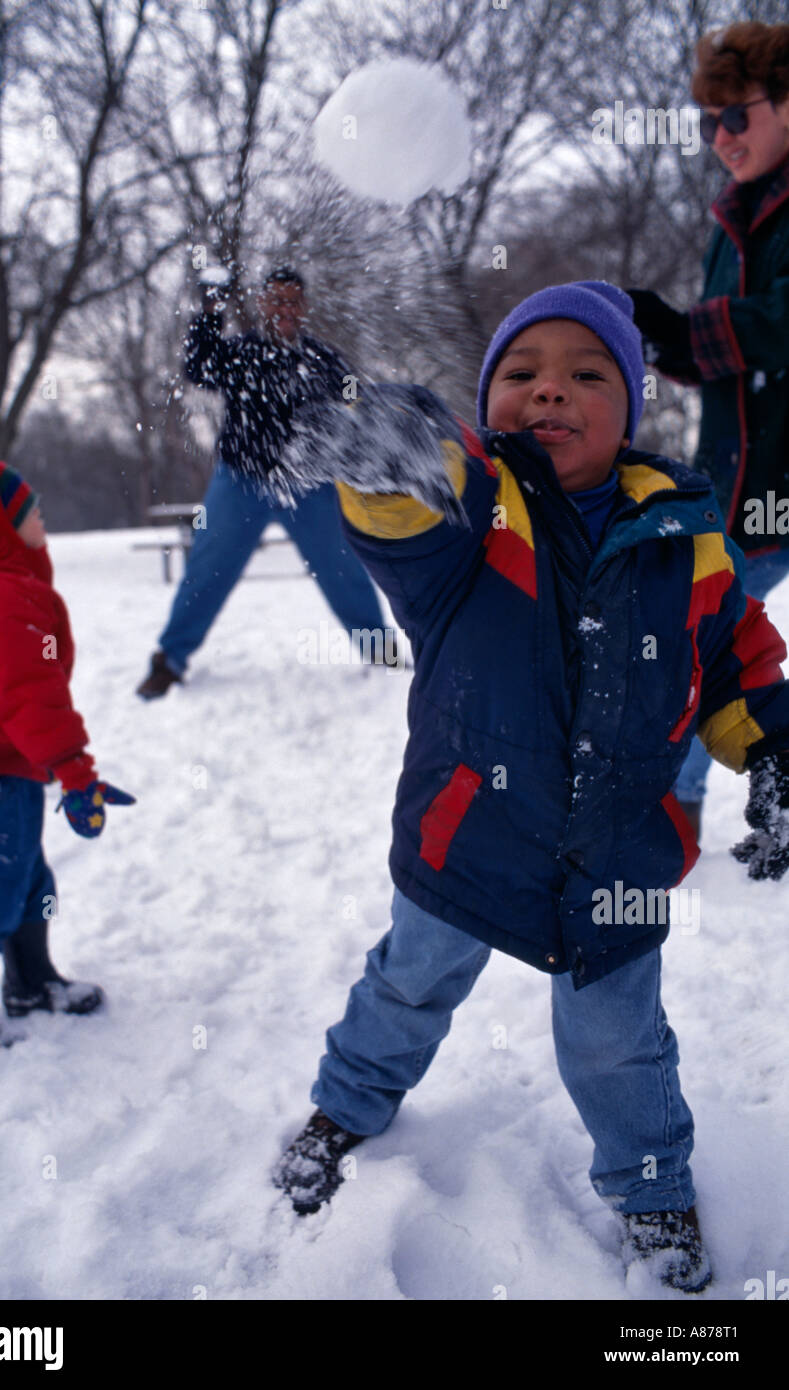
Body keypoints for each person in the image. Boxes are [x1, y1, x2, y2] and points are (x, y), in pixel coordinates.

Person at [271, 282, 789, 1294]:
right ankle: (347, 1103)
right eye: (521, 373)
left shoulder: (689, 538)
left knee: (618, 1049)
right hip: (463, 836)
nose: (549, 390)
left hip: (616, 856)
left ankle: (652, 1194)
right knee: (406, 983)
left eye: (585, 374)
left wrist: (772, 750)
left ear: (631, 408)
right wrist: (359, 428)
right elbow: (402, 498)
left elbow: (737, 664)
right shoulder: (473, 511)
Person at [0, 448, 135, 1058]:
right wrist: (76, 773)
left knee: (22, 878)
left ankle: (31, 984)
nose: (42, 516)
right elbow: (31, 699)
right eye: (29, 509)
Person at [628, 20, 789, 839]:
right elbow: (729, 348)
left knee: (703, 644)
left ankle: (682, 810)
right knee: (705, 640)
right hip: (742, 480)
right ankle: (680, 811)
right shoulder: (735, 218)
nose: (720, 138)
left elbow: (778, 325)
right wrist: (662, 335)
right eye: (709, 121)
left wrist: (690, 330)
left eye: (737, 116)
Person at [136, 267, 385, 698]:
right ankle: (170, 661)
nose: (285, 309)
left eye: (293, 301)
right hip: (241, 480)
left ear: (303, 308)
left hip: (307, 484)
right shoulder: (241, 353)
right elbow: (197, 368)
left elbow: (357, 407)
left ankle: (382, 655)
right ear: (262, 306)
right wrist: (210, 310)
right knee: (207, 569)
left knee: (343, 567)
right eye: (276, 301)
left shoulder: (323, 360)